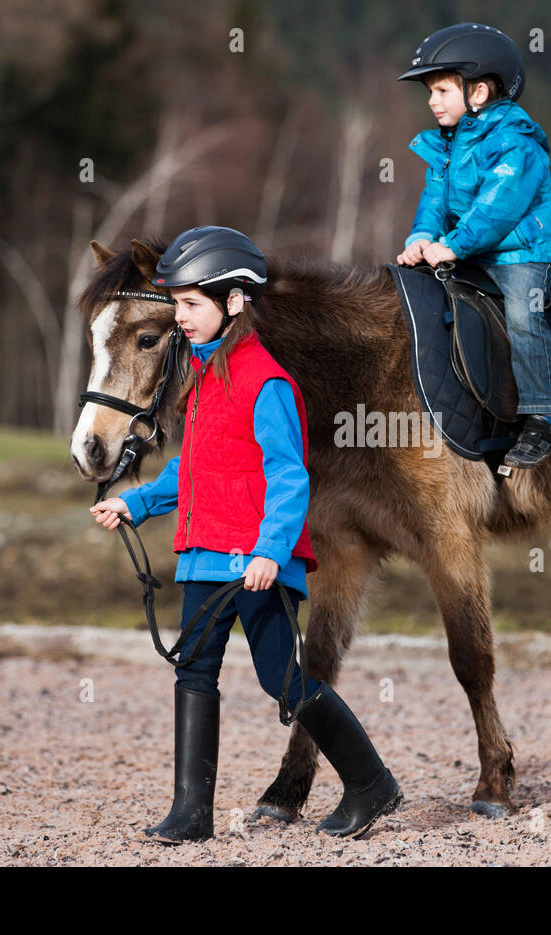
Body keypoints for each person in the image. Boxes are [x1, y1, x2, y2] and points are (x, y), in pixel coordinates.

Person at [90, 226, 402, 842]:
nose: (179, 319)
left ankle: (372, 783)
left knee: (283, 680)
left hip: (255, 563)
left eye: (190, 305)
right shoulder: (202, 380)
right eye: (176, 305)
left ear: (233, 303)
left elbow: (290, 478)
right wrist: (139, 502)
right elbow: (194, 467)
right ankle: (191, 812)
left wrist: (270, 550)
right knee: (194, 671)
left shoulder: (268, 383)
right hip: (203, 553)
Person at [396, 22, 551, 469]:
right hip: (470, 251)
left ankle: (543, 416)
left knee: (521, 316)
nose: (432, 101)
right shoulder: (446, 148)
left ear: (479, 92)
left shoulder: (517, 142)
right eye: (429, 92)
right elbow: (433, 201)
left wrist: (452, 245)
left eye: (442, 90)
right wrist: (420, 237)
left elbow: (499, 208)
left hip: (520, 255)